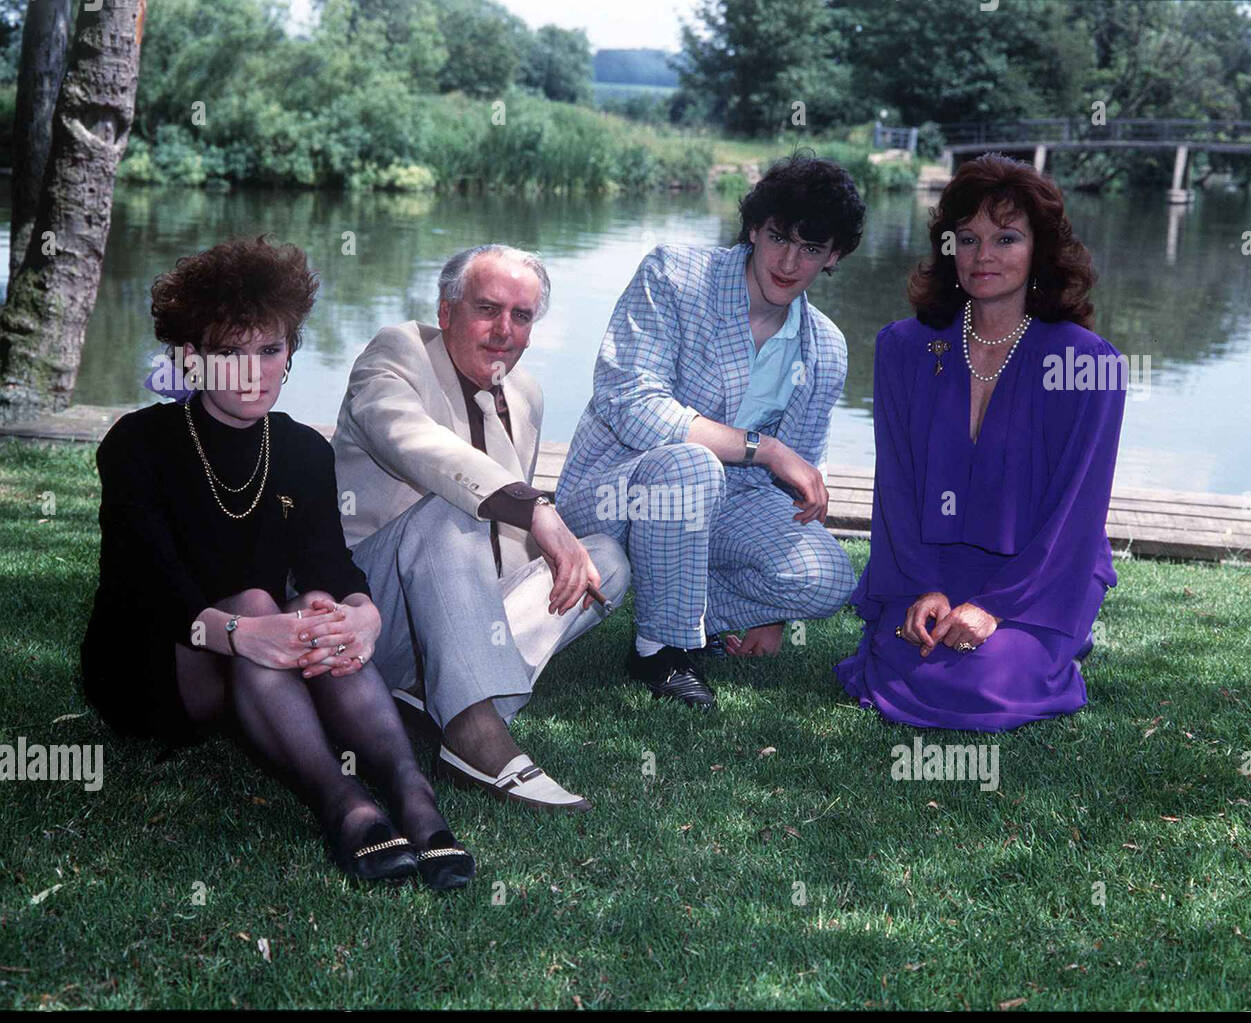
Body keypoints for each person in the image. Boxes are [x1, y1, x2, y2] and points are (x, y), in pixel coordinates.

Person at [81, 236, 474, 890]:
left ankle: (412, 795)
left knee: (319, 611)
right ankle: (342, 801)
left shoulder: (300, 451)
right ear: (190, 358)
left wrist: (360, 613)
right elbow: (142, 588)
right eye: (231, 353)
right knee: (262, 606)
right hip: (153, 663)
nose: (256, 371)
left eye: (270, 349)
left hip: (261, 663)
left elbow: (329, 563)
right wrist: (242, 631)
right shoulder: (138, 445)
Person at [556, 153, 866, 710]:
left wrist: (771, 612)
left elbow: (790, 483)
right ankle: (660, 650)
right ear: (753, 227)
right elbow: (630, 403)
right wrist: (763, 448)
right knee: (690, 462)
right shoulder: (674, 275)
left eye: (812, 249)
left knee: (827, 578)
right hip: (613, 492)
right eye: (778, 237)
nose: (789, 262)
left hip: (723, 506)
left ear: (834, 255)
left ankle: (667, 600)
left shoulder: (825, 348)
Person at [332, 244, 630, 812]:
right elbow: (410, 440)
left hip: (458, 610)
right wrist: (537, 508)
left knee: (605, 563)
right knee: (455, 505)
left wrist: (546, 557)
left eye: (521, 316)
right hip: (372, 606)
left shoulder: (527, 394)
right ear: (446, 312)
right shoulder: (397, 353)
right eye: (487, 309)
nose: (504, 331)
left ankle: (437, 698)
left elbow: (508, 552)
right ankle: (473, 734)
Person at [834, 153, 1126, 732]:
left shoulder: (1088, 364)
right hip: (928, 568)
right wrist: (922, 587)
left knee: (978, 685)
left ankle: (1055, 639)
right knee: (913, 661)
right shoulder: (903, 348)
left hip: (1043, 576)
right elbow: (894, 489)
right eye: (967, 238)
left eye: (1006, 238)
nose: (983, 255)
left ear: (1039, 249)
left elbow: (1077, 514)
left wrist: (995, 608)